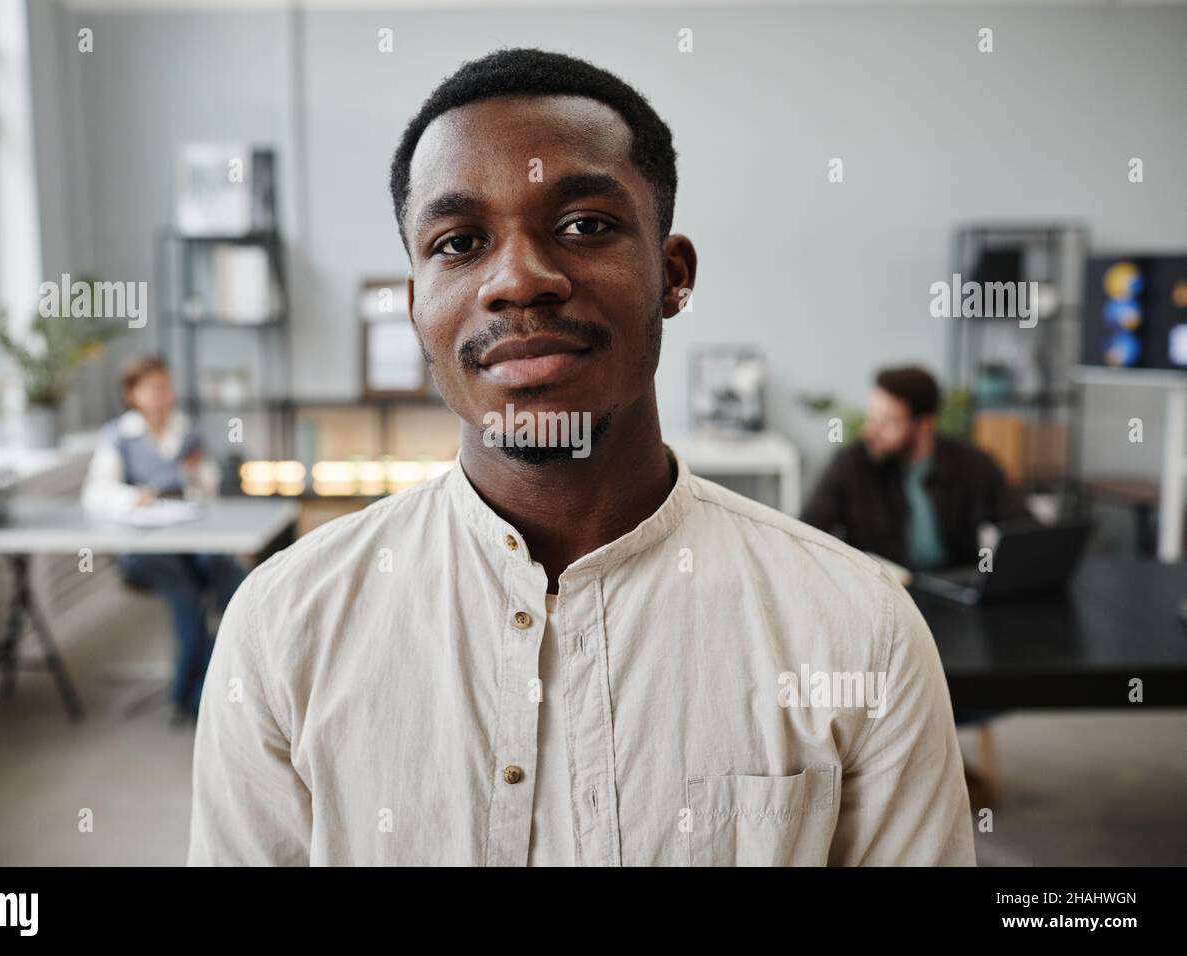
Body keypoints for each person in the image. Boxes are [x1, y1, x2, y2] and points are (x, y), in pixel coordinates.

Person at [188, 49, 975, 866]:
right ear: (416, 302)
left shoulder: (857, 629)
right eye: (459, 242)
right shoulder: (283, 627)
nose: (519, 280)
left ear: (673, 277)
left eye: (586, 226)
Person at [82, 354, 247, 722]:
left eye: (168, 387)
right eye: (155, 388)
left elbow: (208, 491)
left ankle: (222, 673)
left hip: (187, 538)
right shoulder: (117, 436)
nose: (165, 396)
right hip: (146, 549)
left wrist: (192, 474)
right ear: (132, 393)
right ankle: (190, 698)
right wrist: (131, 497)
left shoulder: (186, 431)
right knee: (187, 597)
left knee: (232, 578)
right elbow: (95, 494)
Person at [801, 366, 1037, 571]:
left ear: (924, 424)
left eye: (887, 422)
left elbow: (1024, 531)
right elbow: (804, 534)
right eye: (872, 418)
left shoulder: (972, 465)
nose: (871, 431)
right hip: (882, 597)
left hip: (952, 594)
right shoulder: (851, 465)